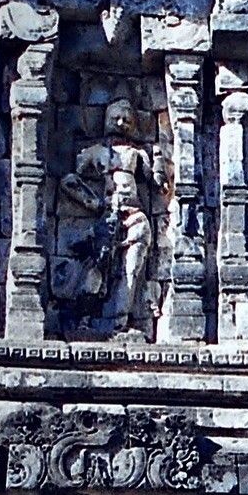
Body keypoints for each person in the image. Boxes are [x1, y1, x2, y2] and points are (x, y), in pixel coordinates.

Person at [60, 99, 168, 335]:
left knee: (131, 272)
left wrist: (158, 159)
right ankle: (84, 320)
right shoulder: (95, 152)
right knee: (99, 270)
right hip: (109, 218)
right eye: (116, 118)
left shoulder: (138, 154)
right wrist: (94, 203)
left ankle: (121, 323)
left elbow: (159, 185)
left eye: (127, 120)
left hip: (136, 217)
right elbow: (69, 180)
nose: (121, 124)